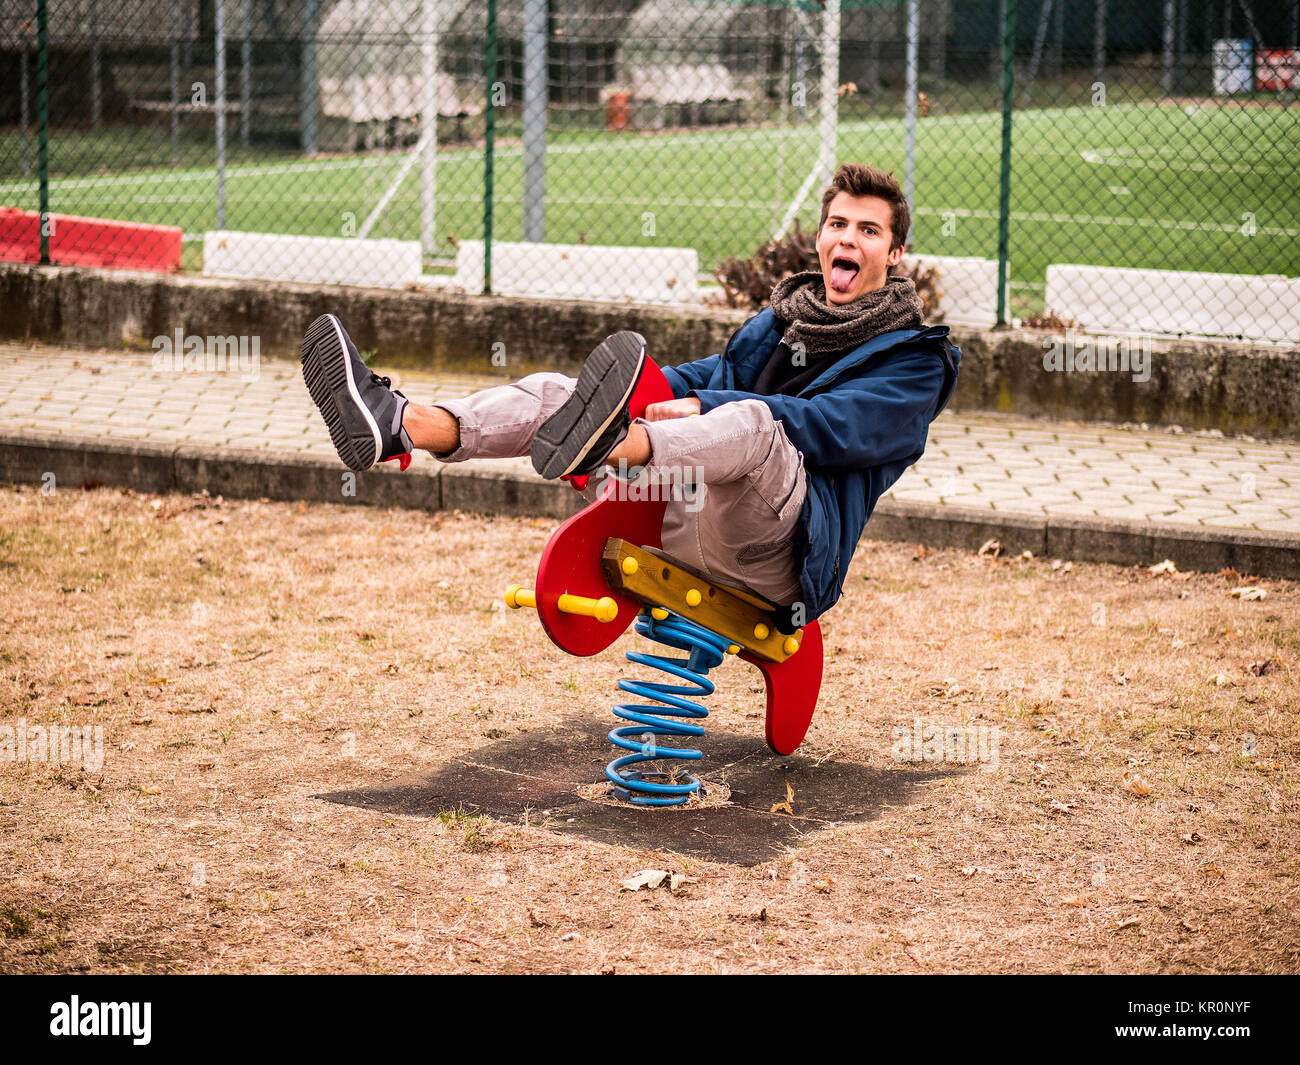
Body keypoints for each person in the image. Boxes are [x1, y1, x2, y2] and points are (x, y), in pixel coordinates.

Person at [300, 163, 960, 631]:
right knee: (567, 392)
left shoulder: (913, 362)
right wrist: (647, 395)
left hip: (780, 557)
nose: (847, 237)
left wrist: (684, 415)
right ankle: (400, 423)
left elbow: (832, 427)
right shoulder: (780, 320)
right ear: (820, 239)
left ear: (895, 253)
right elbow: (699, 381)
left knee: (756, 423)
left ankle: (613, 440)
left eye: (868, 231)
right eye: (837, 223)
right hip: (683, 510)